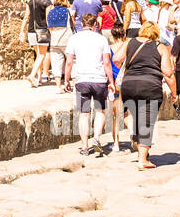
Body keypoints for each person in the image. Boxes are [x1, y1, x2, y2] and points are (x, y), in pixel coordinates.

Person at [119, 22, 174, 170]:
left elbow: (117, 59)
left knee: (137, 117)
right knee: (147, 120)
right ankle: (143, 159)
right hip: (149, 86)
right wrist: (174, 93)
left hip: (129, 85)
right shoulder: (160, 47)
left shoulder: (130, 42)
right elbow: (168, 73)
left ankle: (138, 146)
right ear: (156, 33)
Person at [64, 13, 114, 157]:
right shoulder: (102, 39)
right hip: (99, 80)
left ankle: (85, 146)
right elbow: (106, 62)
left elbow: (69, 62)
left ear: (81, 24)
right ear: (95, 25)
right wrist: (111, 81)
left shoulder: (74, 38)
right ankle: (97, 139)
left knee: (84, 115)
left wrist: (66, 80)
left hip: (82, 80)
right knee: (100, 112)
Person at [107, 21, 129, 152]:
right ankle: (133, 136)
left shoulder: (109, 48)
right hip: (128, 81)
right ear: (124, 34)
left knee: (115, 115)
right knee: (127, 112)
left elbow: (107, 65)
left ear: (113, 35)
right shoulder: (129, 47)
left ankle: (116, 144)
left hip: (115, 83)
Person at [47, 0, 73, 93]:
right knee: (72, 62)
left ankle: (58, 86)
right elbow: (73, 23)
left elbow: (50, 27)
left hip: (54, 40)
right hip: (67, 39)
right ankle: (71, 83)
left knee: (56, 63)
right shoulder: (69, 11)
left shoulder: (50, 12)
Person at [28, 0, 52, 86]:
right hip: (42, 30)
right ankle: (32, 75)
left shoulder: (31, 1)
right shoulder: (47, 2)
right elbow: (48, 18)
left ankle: (38, 78)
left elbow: (26, 16)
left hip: (31, 30)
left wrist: (22, 30)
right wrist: (51, 31)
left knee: (38, 55)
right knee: (42, 54)